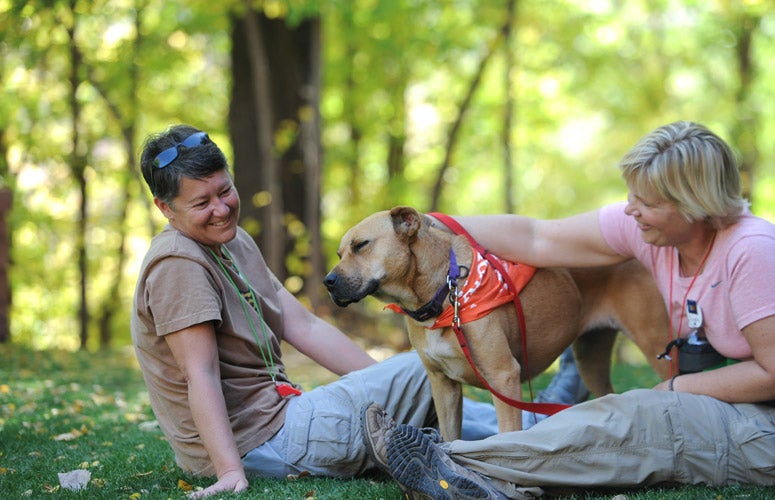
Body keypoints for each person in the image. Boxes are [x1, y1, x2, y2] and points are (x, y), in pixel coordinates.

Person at [360, 121, 775, 498]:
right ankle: (464, 462)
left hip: (763, 429)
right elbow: (538, 236)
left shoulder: (751, 251)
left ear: (693, 204)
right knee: (613, 415)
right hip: (721, 410)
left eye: (645, 202)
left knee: (632, 415)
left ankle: (474, 472)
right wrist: (432, 225)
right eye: (631, 195)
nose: (631, 210)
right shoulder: (653, 234)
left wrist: (674, 389)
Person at [130, 124, 499, 498]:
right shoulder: (177, 263)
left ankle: (534, 429)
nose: (221, 209)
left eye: (225, 191)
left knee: (414, 381)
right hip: (258, 443)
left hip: (285, 417)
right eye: (201, 203)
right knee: (423, 367)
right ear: (166, 208)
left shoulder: (232, 241)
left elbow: (302, 324)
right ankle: (533, 438)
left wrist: (388, 390)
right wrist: (228, 472)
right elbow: (200, 373)